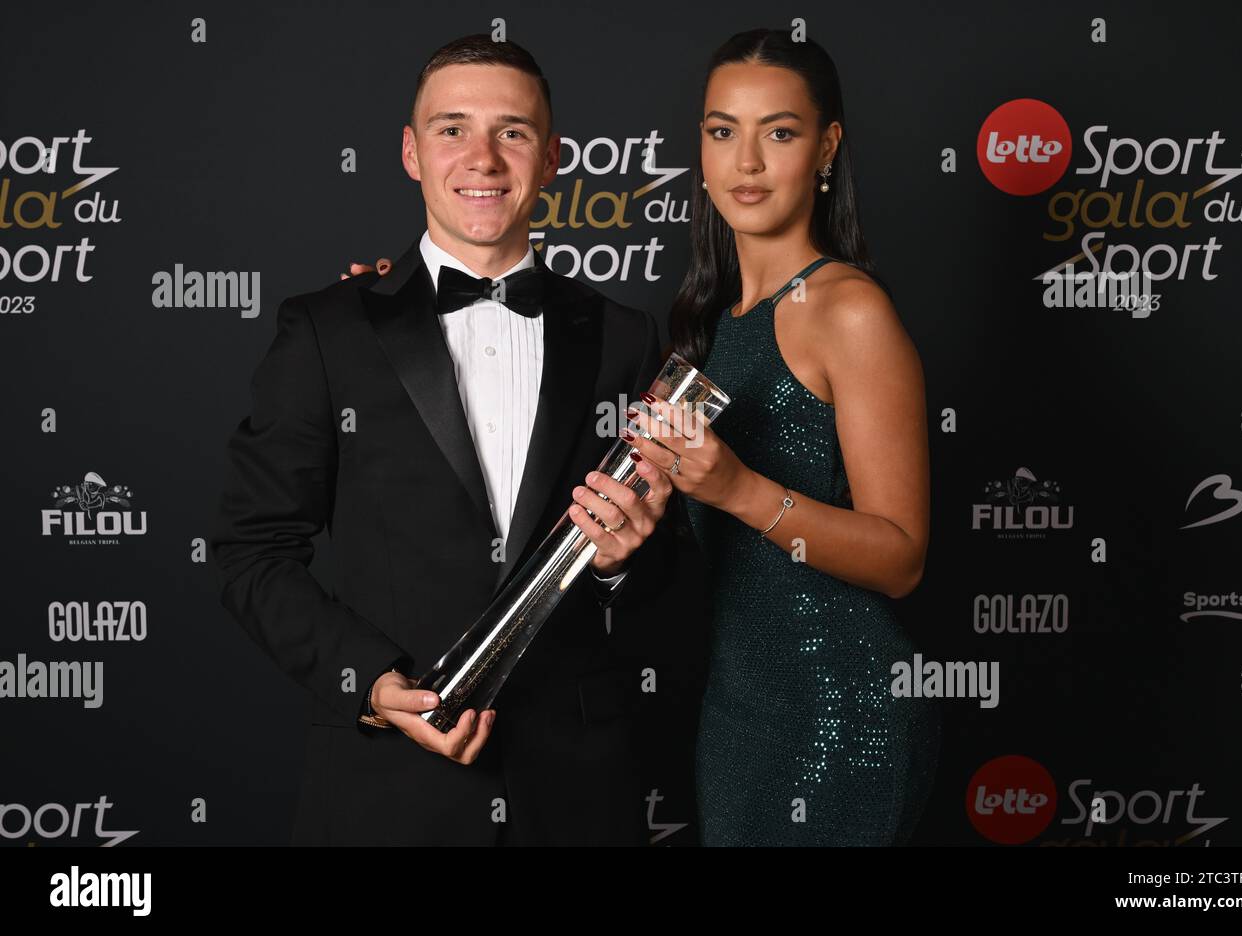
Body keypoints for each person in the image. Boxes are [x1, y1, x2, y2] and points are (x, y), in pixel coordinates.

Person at [211, 34, 674, 846]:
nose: (483, 159)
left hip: (575, 796)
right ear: (411, 152)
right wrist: (373, 685)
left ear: (553, 155)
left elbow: (674, 588)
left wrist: (622, 565)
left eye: (513, 132)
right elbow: (251, 552)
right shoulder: (326, 331)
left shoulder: (624, 340)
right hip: (385, 795)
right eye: (452, 128)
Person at [626, 28, 941, 845]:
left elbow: (902, 556)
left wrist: (736, 489)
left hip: (839, 711)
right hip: (737, 712)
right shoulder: (704, 325)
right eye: (723, 131)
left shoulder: (848, 310)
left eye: (781, 132)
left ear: (827, 146)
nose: (747, 163)